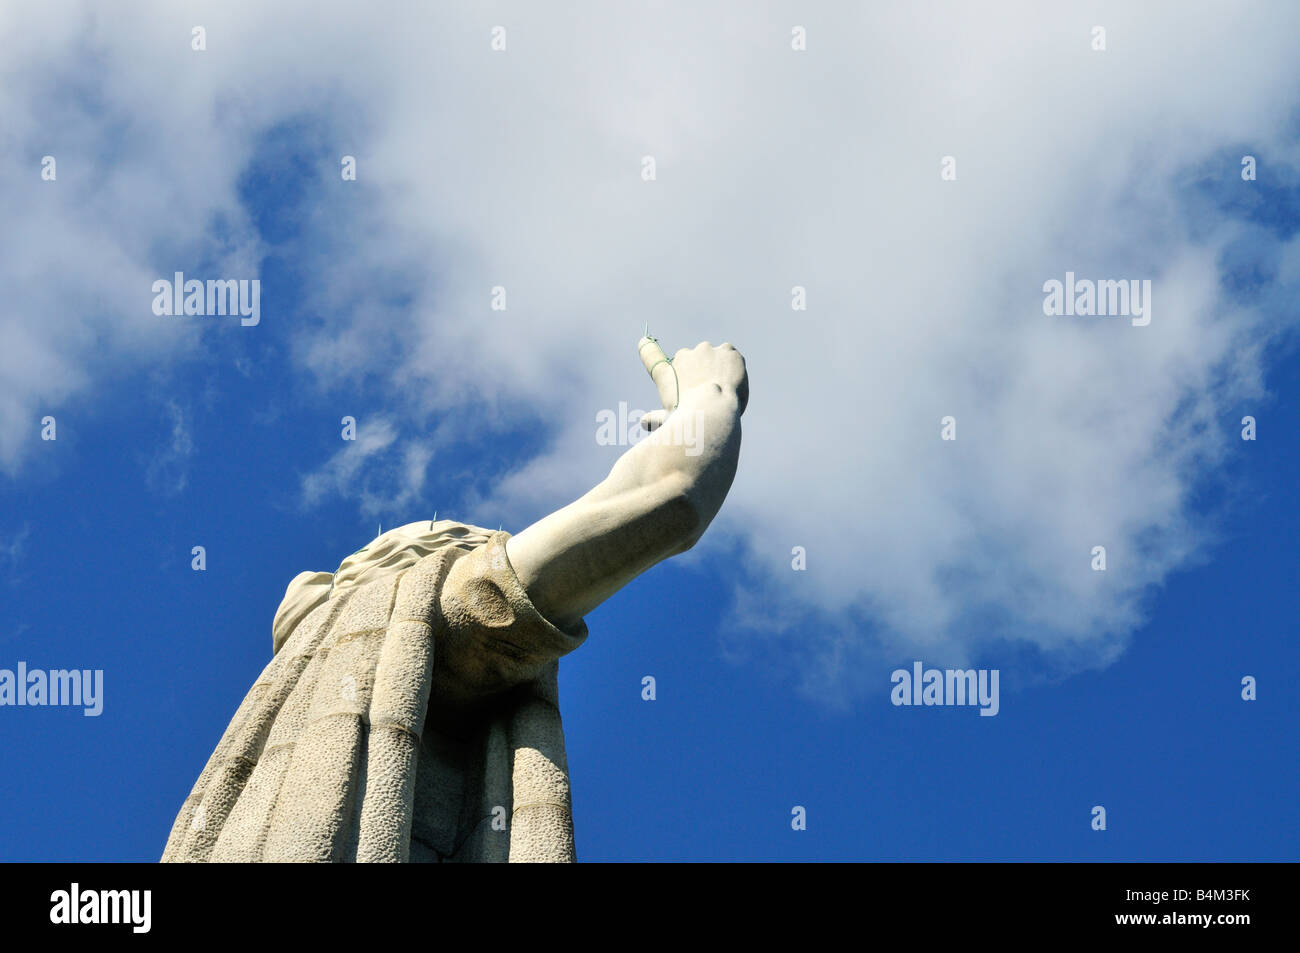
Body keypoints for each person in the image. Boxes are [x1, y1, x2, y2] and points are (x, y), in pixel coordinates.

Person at [161, 337, 748, 862]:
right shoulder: (435, 606)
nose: (473, 556)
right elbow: (673, 496)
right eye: (461, 547)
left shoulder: (270, 743)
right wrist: (708, 399)